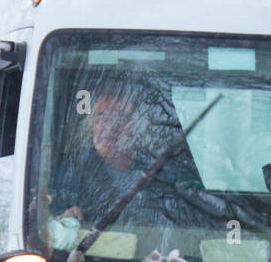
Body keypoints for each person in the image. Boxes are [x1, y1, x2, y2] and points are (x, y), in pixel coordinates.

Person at [45, 80, 213, 252]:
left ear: (138, 127)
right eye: (102, 117)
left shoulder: (166, 174)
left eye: (121, 118)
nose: (109, 128)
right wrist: (62, 222)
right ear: (92, 123)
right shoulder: (71, 175)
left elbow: (201, 224)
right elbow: (45, 230)